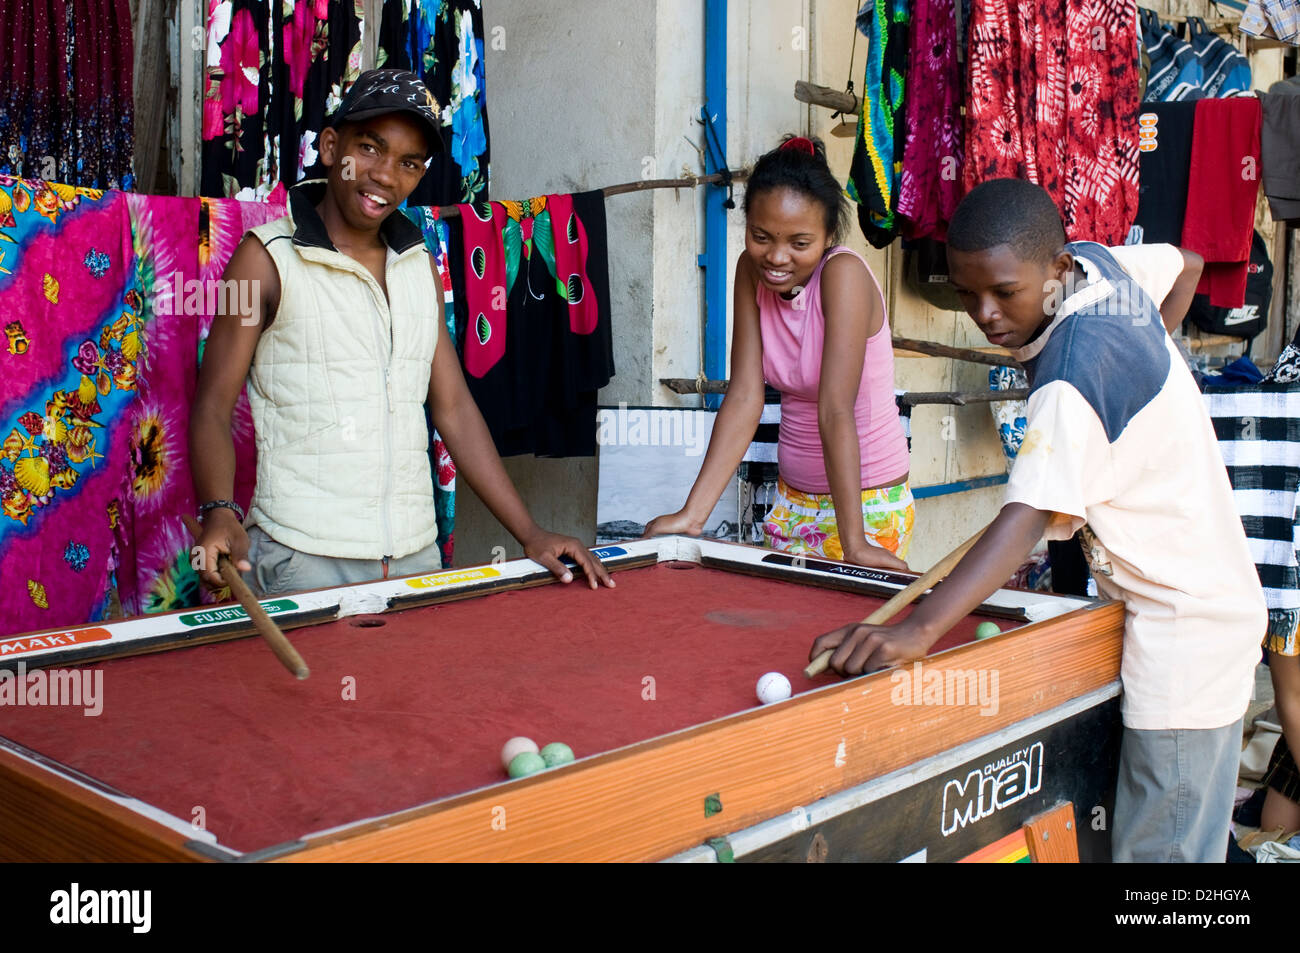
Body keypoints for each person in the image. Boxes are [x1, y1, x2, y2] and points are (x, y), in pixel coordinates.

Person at [810, 178, 1267, 863]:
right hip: (1186, 604)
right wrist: (1138, 388)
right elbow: (1187, 265)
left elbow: (1023, 521)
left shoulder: (1076, 373)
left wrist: (918, 629)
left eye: (1003, 292)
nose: (985, 314)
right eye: (967, 294)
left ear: (1054, 271)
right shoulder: (1098, 265)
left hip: (1187, 637)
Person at [190, 69, 613, 595]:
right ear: (329, 147)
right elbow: (212, 404)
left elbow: (453, 407)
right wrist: (219, 510)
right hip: (304, 558)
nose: (386, 176)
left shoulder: (418, 265)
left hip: (416, 558)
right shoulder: (265, 260)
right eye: (369, 148)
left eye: (409, 163)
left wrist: (529, 533)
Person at [646, 136, 911, 570]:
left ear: (828, 237)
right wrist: (692, 516)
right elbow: (746, 398)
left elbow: (835, 410)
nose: (776, 257)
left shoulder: (843, 276)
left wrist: (856, 542)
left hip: (867, 505)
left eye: (799, 243)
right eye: (761, 236)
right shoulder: (750, 272)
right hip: (791, 500)